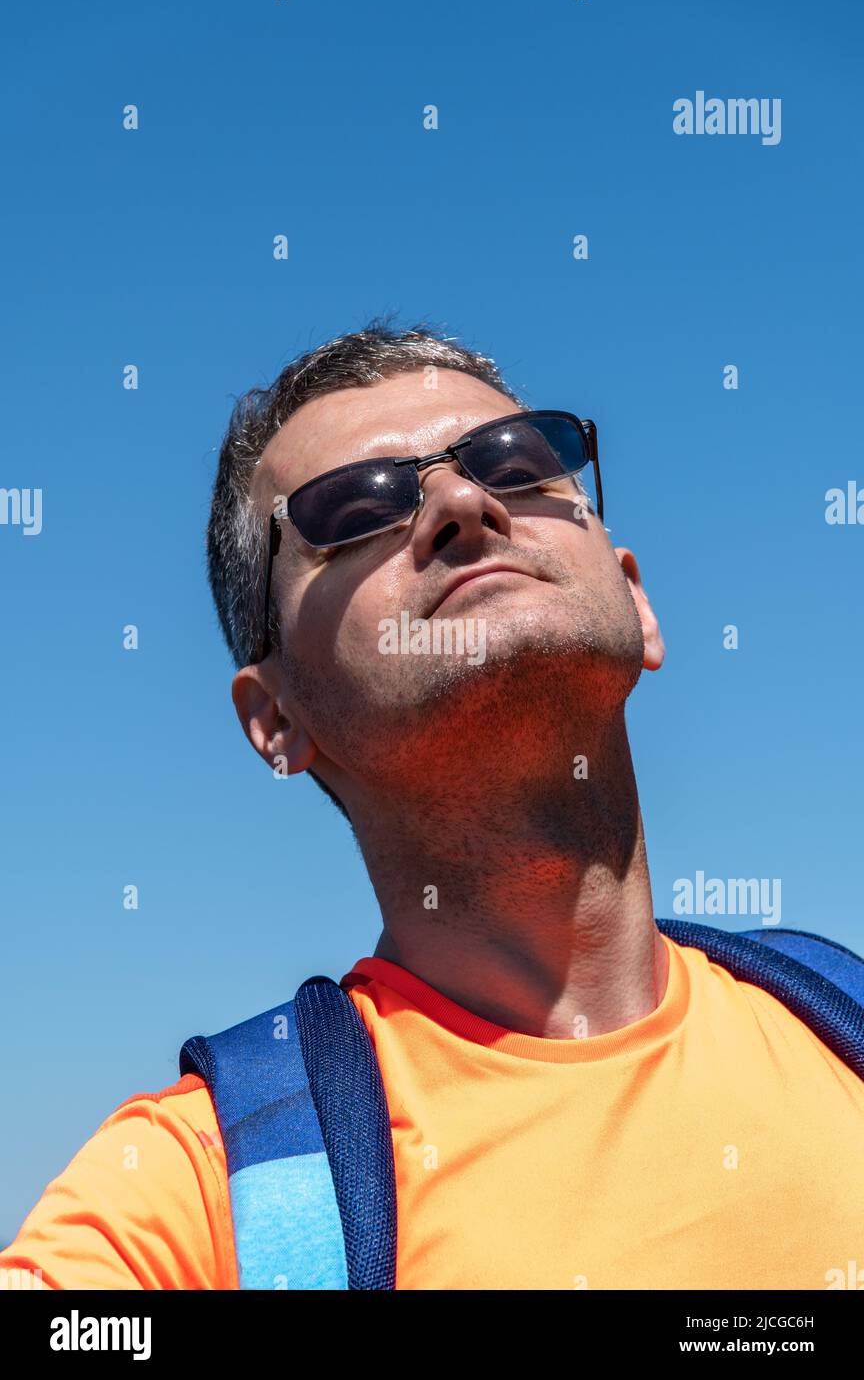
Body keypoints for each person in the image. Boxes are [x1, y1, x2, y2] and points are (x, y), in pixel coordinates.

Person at [2, 319, 862, 1291]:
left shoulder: (841, 1023)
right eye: (355, 506)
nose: (462, 500)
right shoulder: (198, 1192)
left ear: (639, 601)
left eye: (519, 460)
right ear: (276, 716)